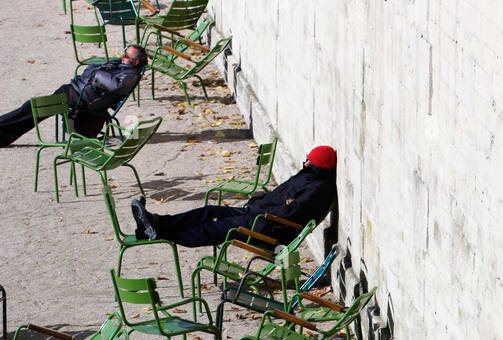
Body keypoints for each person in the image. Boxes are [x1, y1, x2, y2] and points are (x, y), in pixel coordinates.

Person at [130, 144, 337, 248]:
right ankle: (158, 223)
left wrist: (259, 209)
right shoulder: (310, 178)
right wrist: (257, 203)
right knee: (209, 210)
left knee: (217, 227)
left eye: (309, 160)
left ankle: (161, 233)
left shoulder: (319, 189)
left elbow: (290, 212)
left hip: (269, 227)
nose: (305, 162)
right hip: (260, 215)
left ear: (315, 164)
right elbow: (281, 198)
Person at [0, 44, 147, 146]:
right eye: (123, 53)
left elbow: (113, 83)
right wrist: (95, 74)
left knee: (33, 109)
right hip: (75, 91)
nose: (122, 56)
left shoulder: (130, 75)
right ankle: (4, 133)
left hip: (79, 97)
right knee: (33, 110)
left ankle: (3, 133)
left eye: (126, 56)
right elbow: (90, 68)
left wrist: (96, 74)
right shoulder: (121, 65)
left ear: (136, 62)